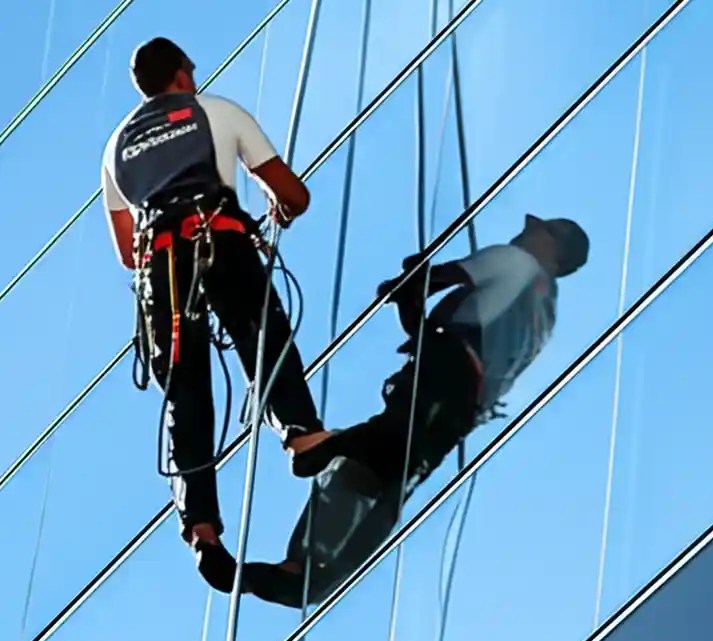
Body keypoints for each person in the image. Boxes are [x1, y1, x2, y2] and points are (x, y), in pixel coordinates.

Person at [241, 214, 591, 607]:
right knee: (392, 480)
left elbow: (434, 282)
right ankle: (318, 572)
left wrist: (408, 286)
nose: (528, 228)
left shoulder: (517, 262)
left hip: (449, 370)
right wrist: (415, 311)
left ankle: (323, 458)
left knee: (385, 447)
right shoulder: (544, 311)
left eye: (543, 229)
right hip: (466, 402)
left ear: (556, 252)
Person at [101, 37, 331, 592]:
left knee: (185, 392)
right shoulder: (216, 112)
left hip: (163, 271)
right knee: (262, 337)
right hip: (219, 241)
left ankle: (200, 526)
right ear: (182, 74)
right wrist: (278, 208)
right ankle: (300, 435)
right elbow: (293, 194)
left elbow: (125, 249)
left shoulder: (115, 148)